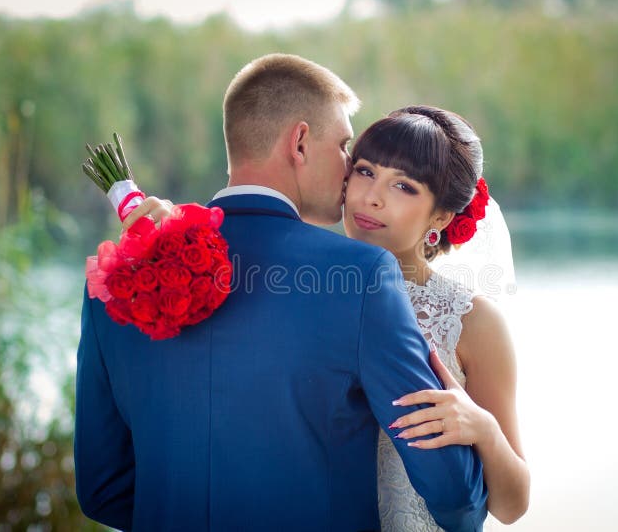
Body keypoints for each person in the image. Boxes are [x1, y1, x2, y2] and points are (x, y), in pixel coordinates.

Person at [74, 54, 487, 531]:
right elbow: (453, 494)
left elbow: (102, 490)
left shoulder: (119, 279)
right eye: (343, 145)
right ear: (300, 142)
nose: (350, 167)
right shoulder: (362, 274)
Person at [343, 106, 530, 530]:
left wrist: (483, 429)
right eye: (366, 171)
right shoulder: (310, 288)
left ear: (441, 217)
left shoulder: (473, 321)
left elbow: (512, 505)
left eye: (404, 186)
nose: (372, 196)